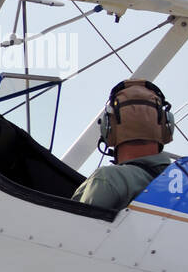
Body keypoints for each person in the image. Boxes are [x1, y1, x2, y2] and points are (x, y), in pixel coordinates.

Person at [72, 79, 177, 210]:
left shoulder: (107, 178)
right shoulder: (187, 184)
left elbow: (78, 228)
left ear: (108, 128)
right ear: (167, 127)